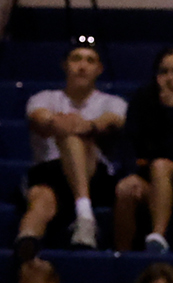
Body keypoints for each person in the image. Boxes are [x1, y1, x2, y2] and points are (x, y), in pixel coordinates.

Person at [15, 42, 129, 258]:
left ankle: (85, 216)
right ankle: (27, 244)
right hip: (51, 172)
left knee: (72, 137)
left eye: (90, 60)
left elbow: (111, 120)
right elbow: (40, 116)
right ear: (65, 65)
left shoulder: (113, 102)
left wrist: (83, 125)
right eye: (76, 59)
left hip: (95, 174)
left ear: (99, 69)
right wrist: (63, 123)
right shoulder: (44, 98)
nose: (82, 66)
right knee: (41, 198)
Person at [113, 48, 173, 253]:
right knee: (125, 188)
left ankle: (158, 235)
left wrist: (171, 112)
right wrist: (133, 172)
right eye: (163, 72)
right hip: (148, 177)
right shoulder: (143, 101)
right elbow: (130, 143)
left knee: (161, 165)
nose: (169, 78)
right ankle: (120, 254)